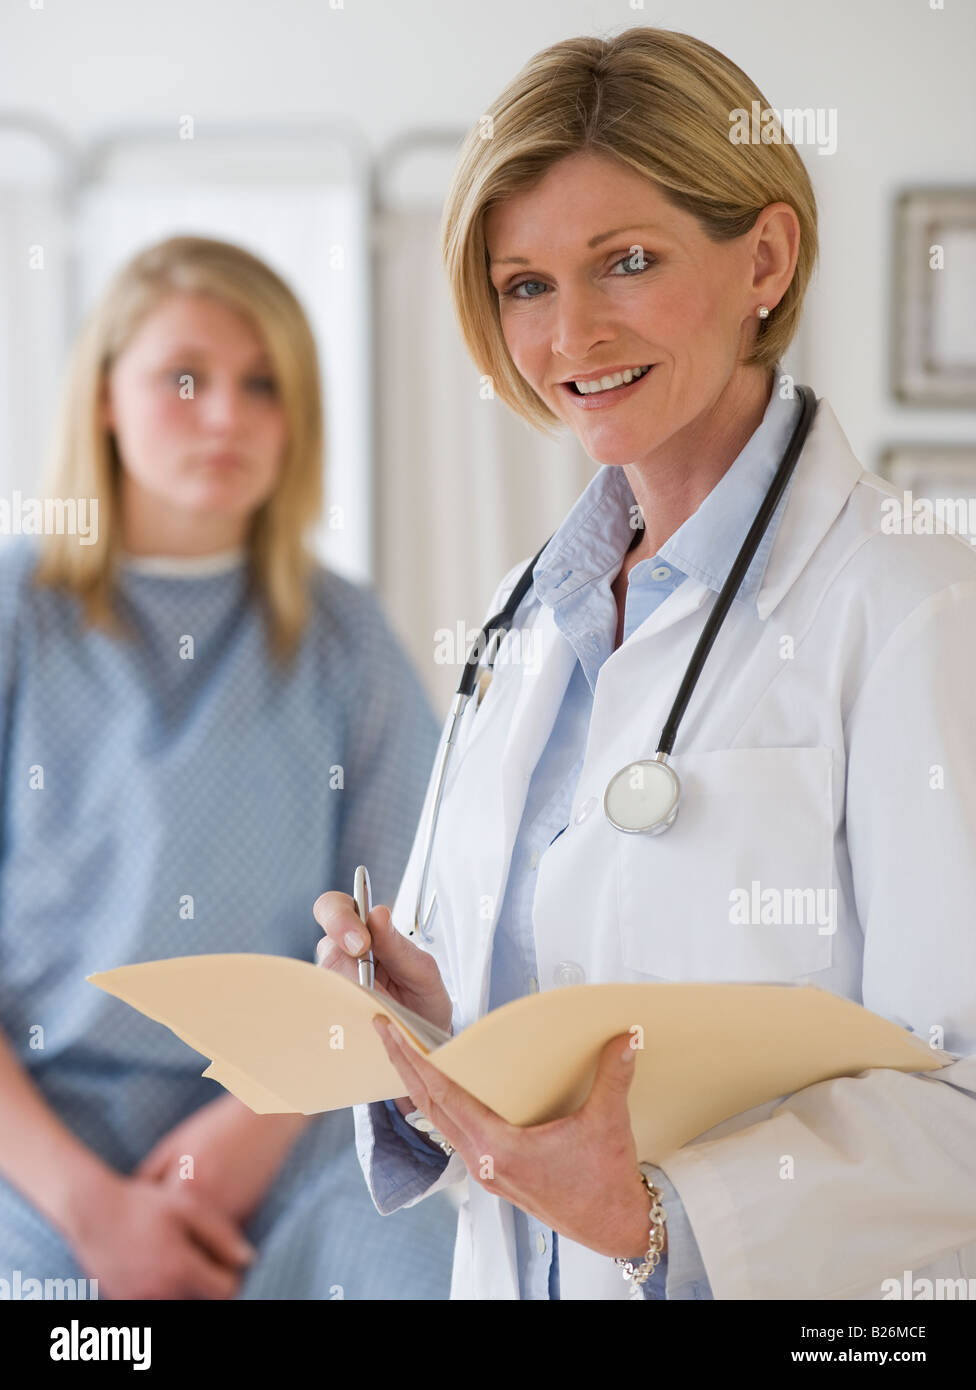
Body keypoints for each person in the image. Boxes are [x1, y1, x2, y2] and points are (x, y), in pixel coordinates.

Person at [313, 27, 976, 1301]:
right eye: (524, 285)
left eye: (627, 262)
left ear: (764, 260)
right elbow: (560, 1045)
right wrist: (432, 1016)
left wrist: (666, 1217)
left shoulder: (912, 602)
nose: (573, 334)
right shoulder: (524, 613)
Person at [0, 234, 457, 1300]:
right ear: (104, 396)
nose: (227, 417)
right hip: (33, 1139)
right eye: (185, 379)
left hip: (289, 1125)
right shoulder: (20, 615)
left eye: (265, 387)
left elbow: (408, 938)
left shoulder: (344, 639)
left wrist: (257, 1125)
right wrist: (91, 1209)